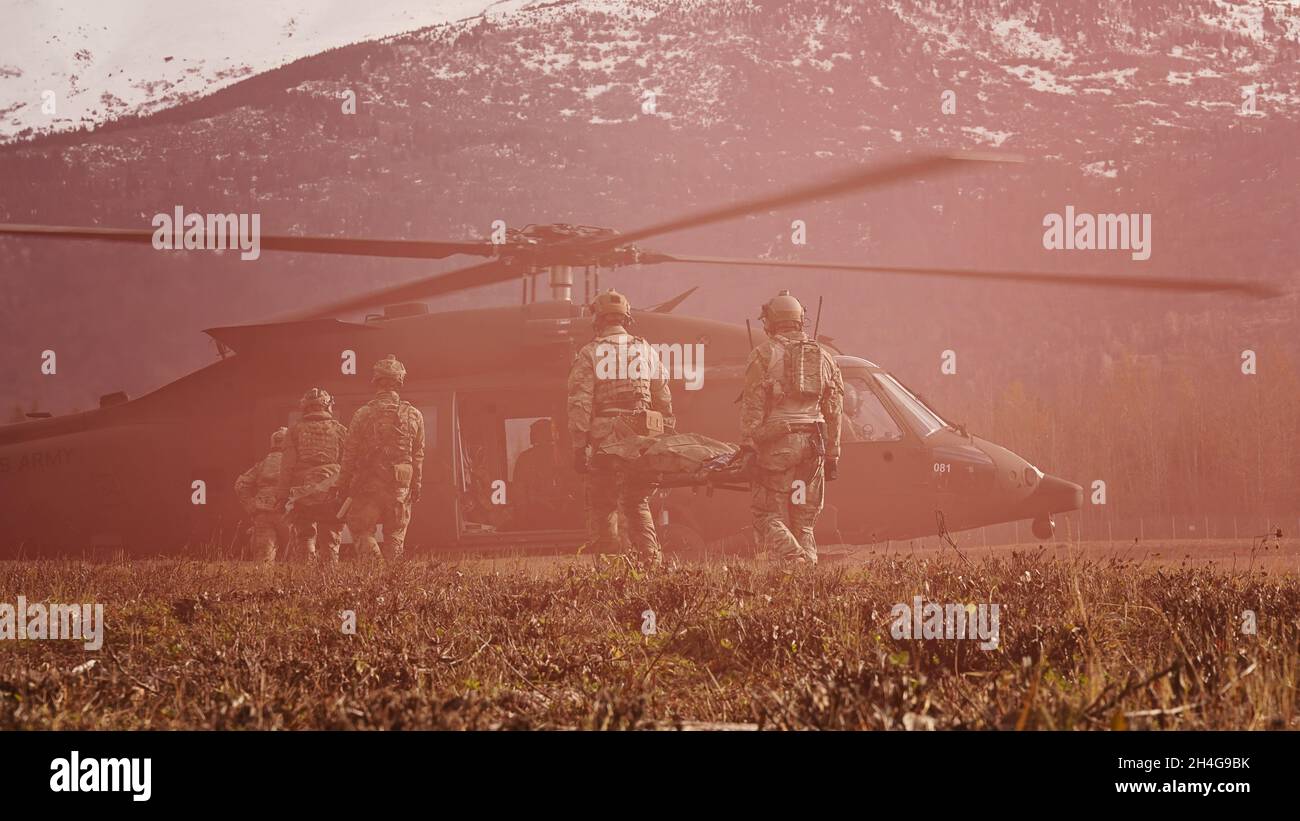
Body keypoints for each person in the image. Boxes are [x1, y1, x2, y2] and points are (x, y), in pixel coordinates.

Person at [567, 289, 673, 564]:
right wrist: (665, 433)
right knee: (637, 501)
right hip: (641, 437)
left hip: (607, 439)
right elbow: (662, 395)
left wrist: (579, 446)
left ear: (598, 320)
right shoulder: (645, 349)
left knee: (603, 504)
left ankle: (610, 568)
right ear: (627, 318)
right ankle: (650, 562)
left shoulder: (590, 353)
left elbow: (580, 403)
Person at [740, 290, 844, 566]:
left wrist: (749, 444)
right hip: (814, 447)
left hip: (778, 446)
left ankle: (794, 557)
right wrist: (833, 453)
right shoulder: (826, 357)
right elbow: (834, 410)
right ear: (800, 320)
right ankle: (807, 568)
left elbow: (753, 406)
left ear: (770, 322)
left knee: (767, 515)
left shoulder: (763, 355)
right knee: (804, 520)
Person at [337, 355, 425, 561]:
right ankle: (393, 579)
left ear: (376, 381)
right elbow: (418, 455)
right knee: (395, 535)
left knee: (362, 530)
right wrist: (416, 485)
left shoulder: (362, 414)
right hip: (400, 487)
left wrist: (343, 484)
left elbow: (349, 454)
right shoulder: (414, 415)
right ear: (400, 381)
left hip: (368, 485)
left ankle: (374, 572)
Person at [278, 388, 348, 564]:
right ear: (328, 406)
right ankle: (330, 580)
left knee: (304, 536)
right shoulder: (340, 430)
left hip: (303, 491)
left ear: (305, 407)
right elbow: (347, 464)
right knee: (331, 537)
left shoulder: (294, 431)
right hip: (331, 490)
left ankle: (305, 579)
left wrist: (282, 496)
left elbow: (287, 466)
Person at [234, 427, 290, 563]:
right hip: (288, 514)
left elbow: (240, 485)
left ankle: (263, 583)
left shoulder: (261, 465)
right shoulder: (292, 465)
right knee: (295, 556)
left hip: (263, 515)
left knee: (263, 559)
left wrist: (252, 506)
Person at [511, 417, 567, 529]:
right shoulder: (525, 459)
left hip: (560, 515)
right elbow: (519, 492)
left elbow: (569, 485)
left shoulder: (560, 456)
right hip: (534, 516)